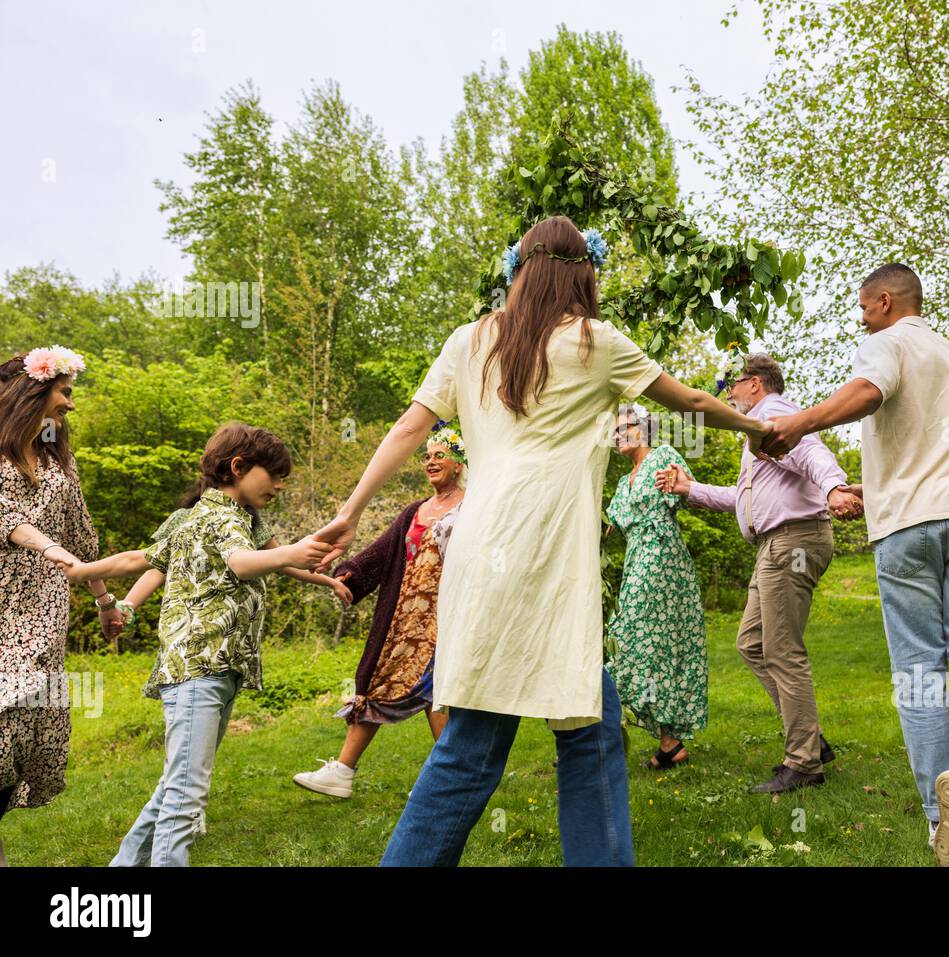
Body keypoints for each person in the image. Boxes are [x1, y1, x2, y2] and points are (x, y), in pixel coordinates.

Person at [311, 215, 772, 866]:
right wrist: (757, 432)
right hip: (546, 558)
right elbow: (691, 397)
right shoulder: (597, 343)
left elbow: (409, 427)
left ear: (516, 270)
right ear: (585, 274)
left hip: (477, 557)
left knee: (547, 730)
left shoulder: (470, 340)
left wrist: (351, 507)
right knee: (520, 740)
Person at [761, 263, 949, 866]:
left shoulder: (887, 342)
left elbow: (869, 391)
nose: (861, 316)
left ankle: (937, 820)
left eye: (864, 306)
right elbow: (929, 451)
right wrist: (872, 490)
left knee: (919, 671)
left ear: (885, 299)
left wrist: (799, 422)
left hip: (908, 533)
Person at [66, 423, 332, 866]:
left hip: (214, 669)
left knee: (177, 784)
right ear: (239, 467)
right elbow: (242, 563)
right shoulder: (222, 517)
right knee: (187, 795)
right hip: (199, 670)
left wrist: (81, 571)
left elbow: (138, 559)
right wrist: (290, 552)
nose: (281, 485)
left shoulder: (201, 518)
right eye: (276, 474)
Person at [655, 353, 863, 794]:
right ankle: (809, 736)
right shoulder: (758, 434)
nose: (729, 392)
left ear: (755, 384)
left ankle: (804, 763)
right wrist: (689, 489)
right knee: (751, 643)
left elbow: (810, 450)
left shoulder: (774, 414)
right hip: (775, 545)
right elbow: (743, 497)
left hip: (793, 541)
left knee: (782, 650)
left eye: (734, 384)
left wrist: (834, 487)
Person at [293, 429, 467, 799]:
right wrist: (348, 574)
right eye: (427, 456)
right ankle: (344, 772)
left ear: (459, 462)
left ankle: (449, 777)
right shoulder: (414, 512)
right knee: (385, 684)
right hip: (403, 623)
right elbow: (382, 551)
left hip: (450, 620)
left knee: (435, 689)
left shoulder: (473, 505)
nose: (431, 461)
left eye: (440, 454)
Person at [0, 347, 121, 867]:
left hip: (41, 614)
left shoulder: (57, 460)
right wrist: (46, 546)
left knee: (23, 734)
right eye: (65, 392)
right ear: (32, 391)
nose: (70, 405)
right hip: (4, 605)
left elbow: (79, 532)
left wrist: (104, 599)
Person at [606, 403, 707, 771]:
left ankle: (609, 735)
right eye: (614, 430)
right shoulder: (622, 482)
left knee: (635, 641)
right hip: (637, 558)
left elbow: (688, 490)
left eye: (624, 428)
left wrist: (681, 486)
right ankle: (670, 743)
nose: (618, 435)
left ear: (644, 428)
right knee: (648, 646)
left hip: (662, 556)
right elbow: (611, 523)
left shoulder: (663, 454)